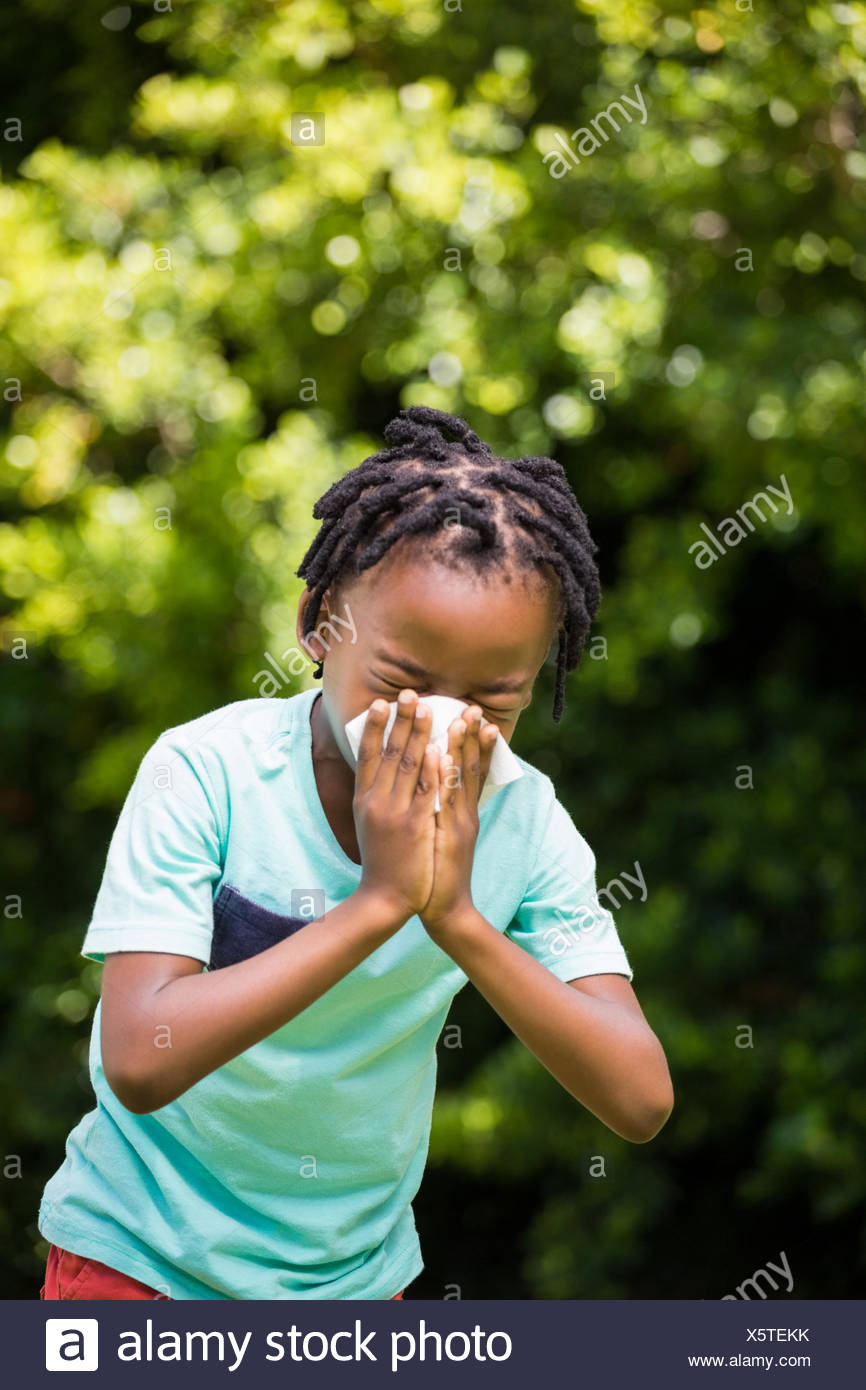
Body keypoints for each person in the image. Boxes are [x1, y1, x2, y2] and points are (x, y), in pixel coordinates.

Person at [37, 405, 673, 1300]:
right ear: (318, 625)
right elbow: (142, 1057)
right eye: (404, 681)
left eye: (493, 701)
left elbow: (639, 1099)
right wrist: (380, 902)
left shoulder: (523, 822)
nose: (441, 725)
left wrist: (454, 917)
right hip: (140, 1264)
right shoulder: (208, 771)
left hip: (355, 1290)